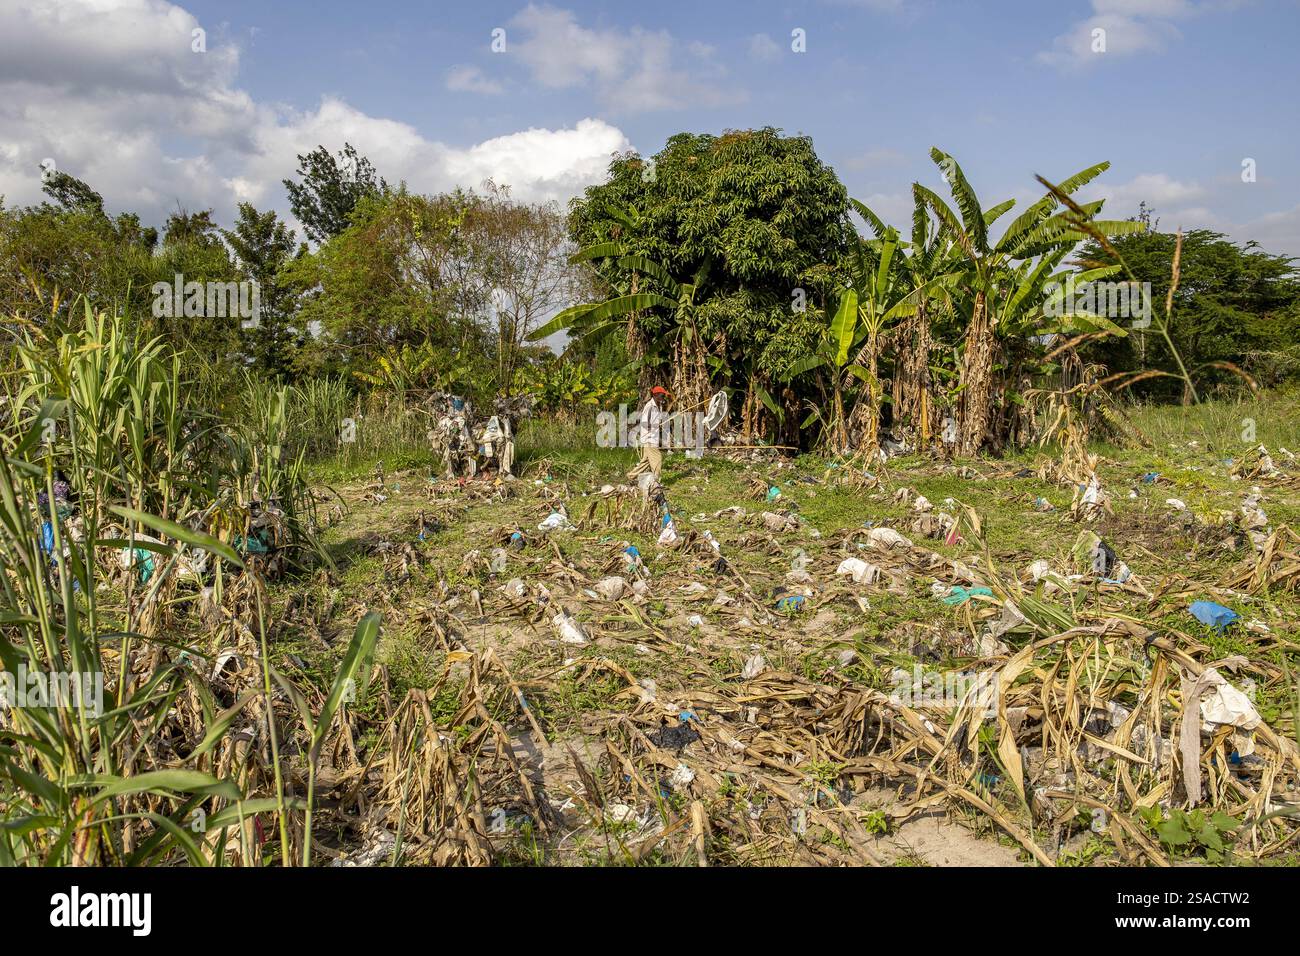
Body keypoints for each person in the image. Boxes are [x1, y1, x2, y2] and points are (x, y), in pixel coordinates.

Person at [628, 385, 669, 480]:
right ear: (656, 395)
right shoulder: (649, 407)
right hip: (649, 439)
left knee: (645, 462)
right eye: (662, 396)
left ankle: (631, 476)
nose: (664, 398)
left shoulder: (657, 406)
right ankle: (656, 482)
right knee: (657, 459)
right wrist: (655, 426)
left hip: (652, 438)